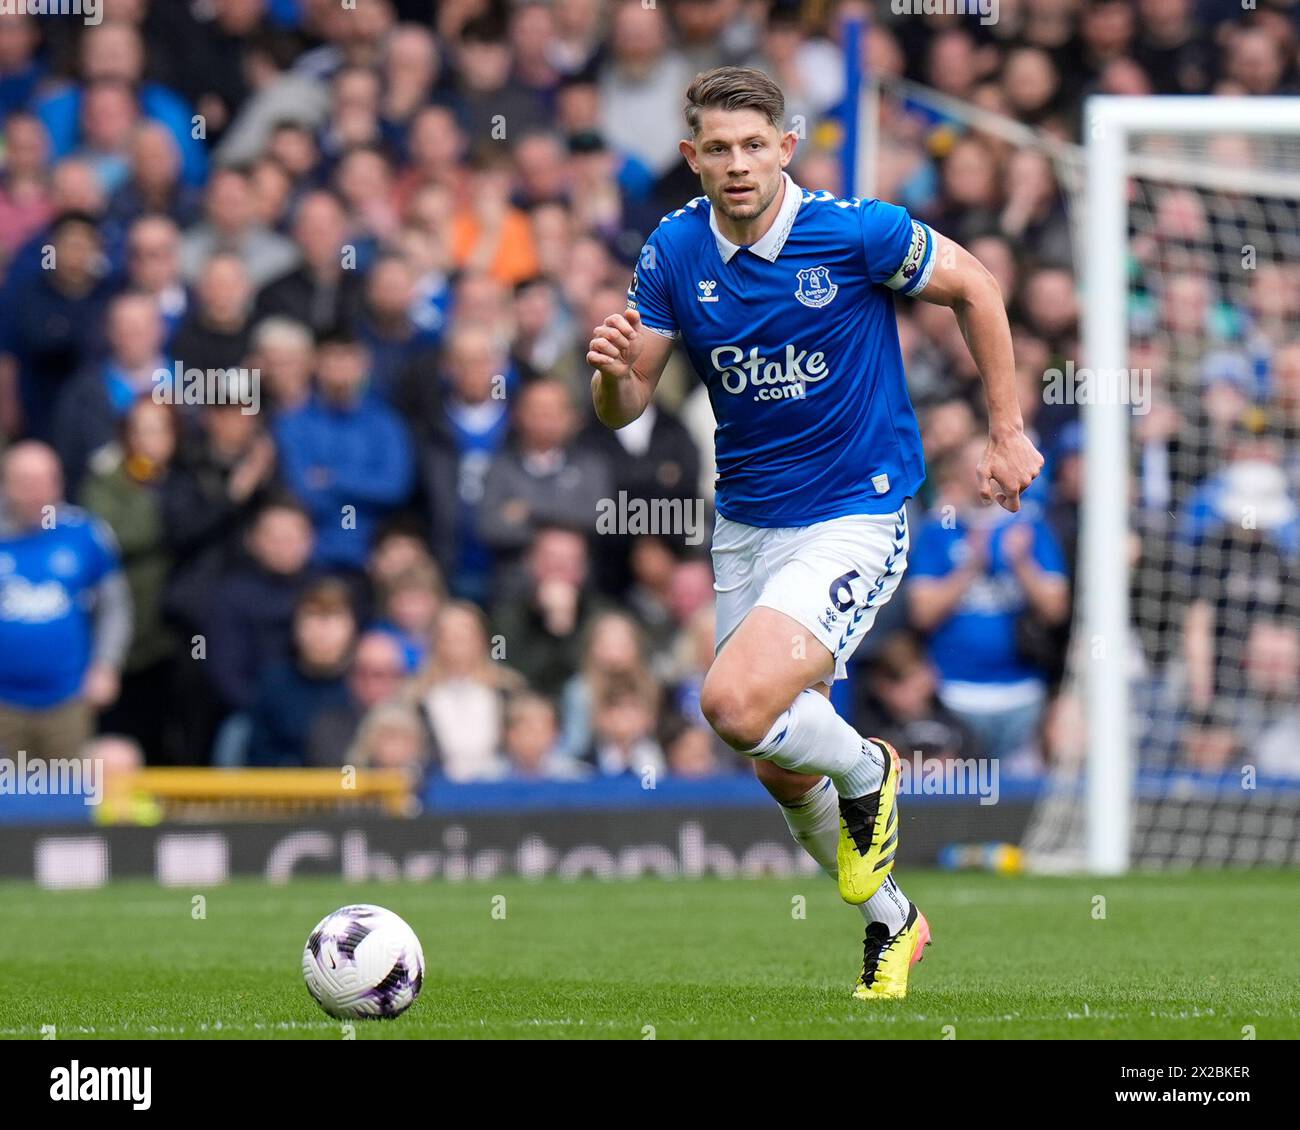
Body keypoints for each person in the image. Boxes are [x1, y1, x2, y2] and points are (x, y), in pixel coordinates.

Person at [587, 68, 1043, 1000]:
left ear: (786, 147)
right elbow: (626, 400)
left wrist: (1005, 431)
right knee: (773, 759)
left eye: (754, 145)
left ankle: (873, 767)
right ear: (692, 159)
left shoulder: (856, 231)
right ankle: (893, 924)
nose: (737, 163)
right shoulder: (673, 250)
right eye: (717, 148)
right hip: (747, 525)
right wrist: (606, 376)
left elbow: (978, 287)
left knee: (734, 705)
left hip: (855, 512)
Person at [0, 442, 131, 760]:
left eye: (46, 480)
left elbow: (114, 607)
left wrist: (107, 665)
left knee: (66, 800)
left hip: (68, 698)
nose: (38, 492)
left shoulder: (85, 534)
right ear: (6, 484)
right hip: (4, 700)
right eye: (27, 482)